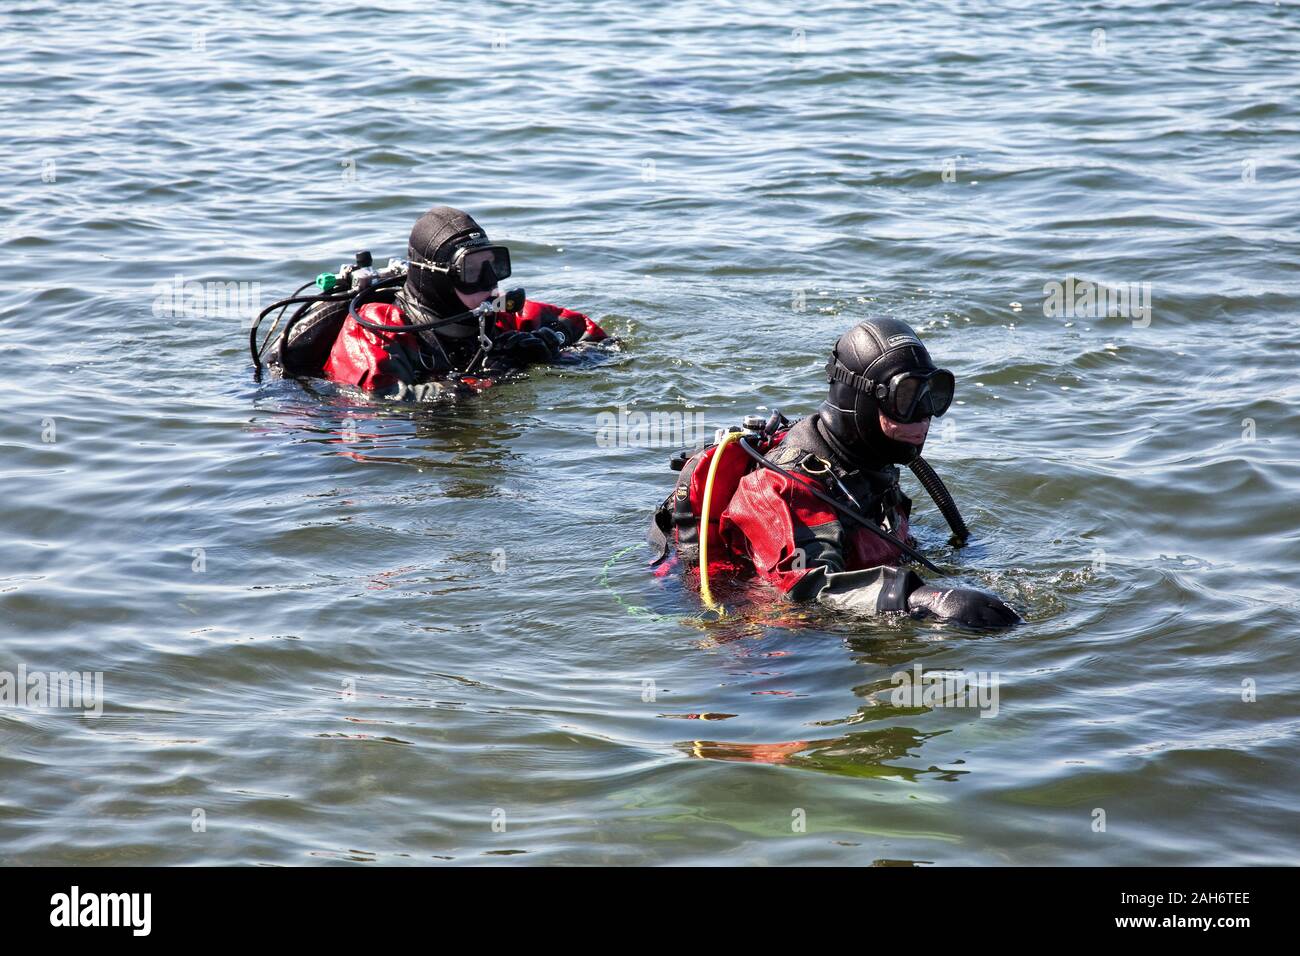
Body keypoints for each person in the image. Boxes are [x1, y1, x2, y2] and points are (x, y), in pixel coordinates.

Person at [649, 317, 1020, 628]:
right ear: (860, 400)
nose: (924, 415)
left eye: (934, 394)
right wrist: (921, 597)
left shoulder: (870, 458)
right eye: (906, 398)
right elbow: (808, 590)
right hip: (769, 646)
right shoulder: (781, 488)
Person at [255, 206, 608, 398]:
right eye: (472, 270)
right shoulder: (377, 326)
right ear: (437, 276)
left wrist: (556, 348)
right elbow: (385, 401)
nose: (490, 282)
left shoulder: (494, 311)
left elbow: (595, 335)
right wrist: (497, 376)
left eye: (493, 265)